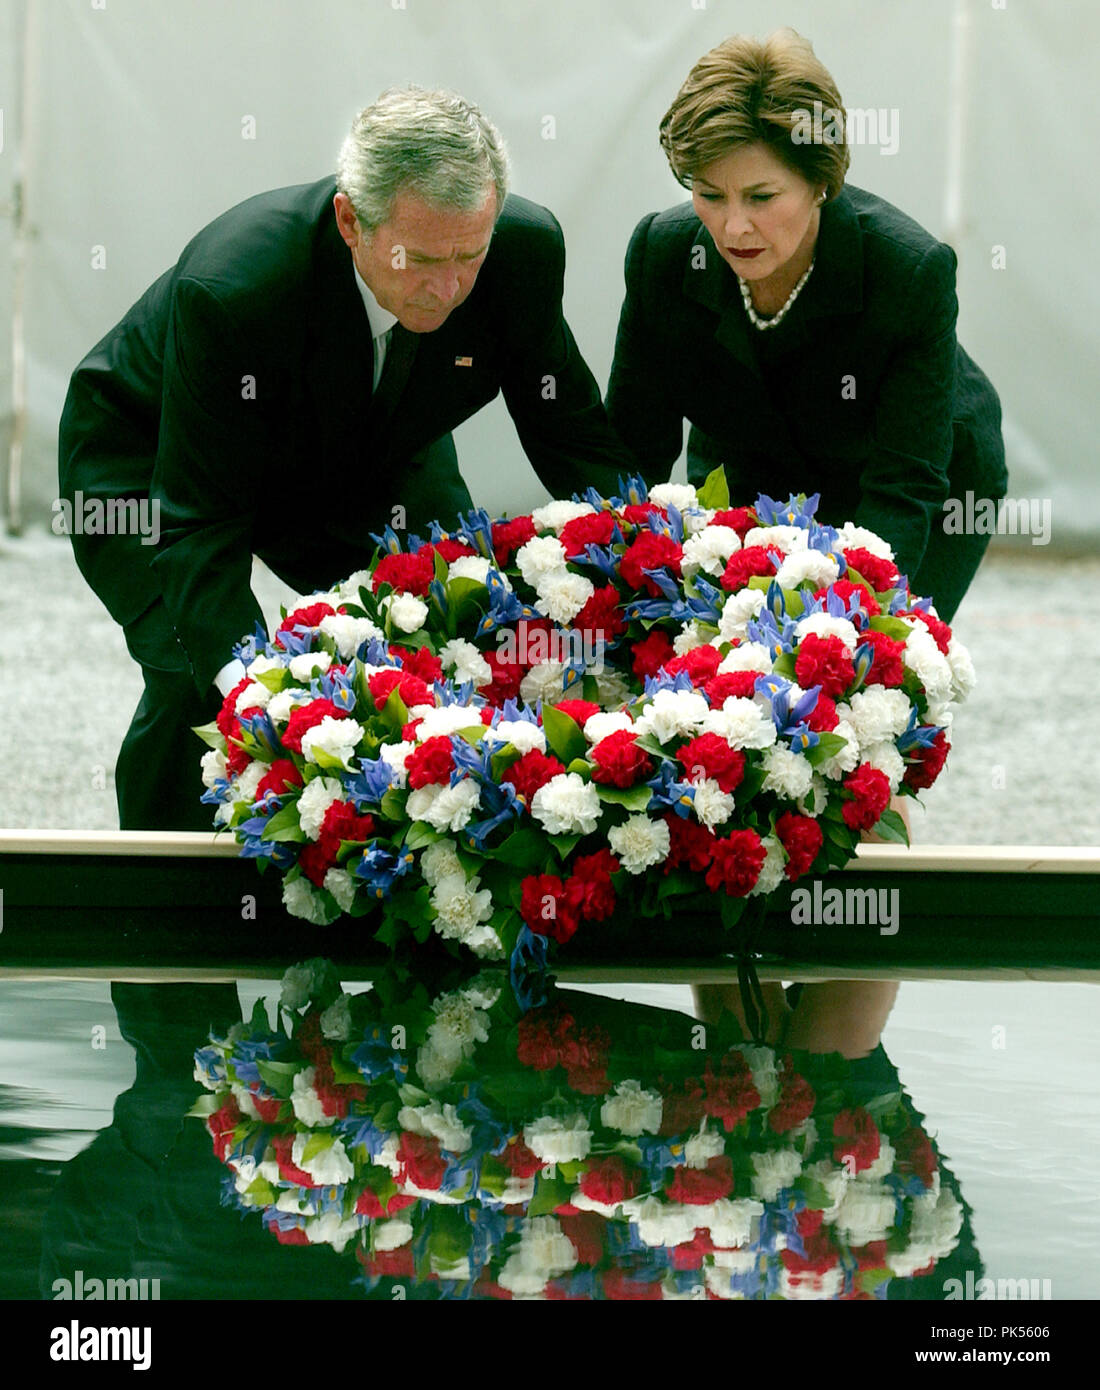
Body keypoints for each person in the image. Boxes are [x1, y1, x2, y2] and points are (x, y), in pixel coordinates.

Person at [58, 86, 631, 831]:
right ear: (349, 221)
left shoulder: (522, 251)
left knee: (437, 631)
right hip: (151, 457)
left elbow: (571, 430)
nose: (448, 288)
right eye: (421, 258)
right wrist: (257, 691)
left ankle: (403, 850)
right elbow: (197, 523)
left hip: (366, 445)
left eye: (469, 255)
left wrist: (650, 554)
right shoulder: (235, 287)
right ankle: (162, 889)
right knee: (200, 680)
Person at [606, 29, 1007, 624]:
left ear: (822, 181)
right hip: (753, 457)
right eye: (709, 194)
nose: (734, 227)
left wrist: (843, 618)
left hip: (926, 481)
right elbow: (633, 452)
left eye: (762, 196)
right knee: (729, 668)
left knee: (861, 671)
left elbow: (905, 483)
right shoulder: (661, 253)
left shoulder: (908, 270)